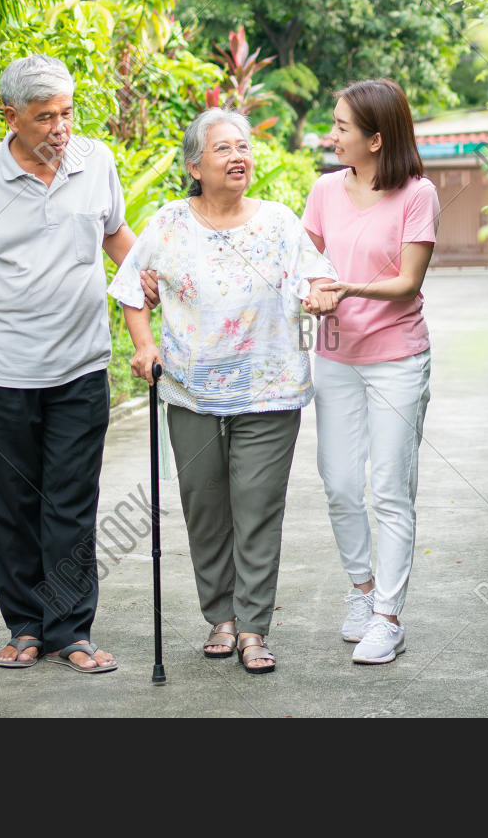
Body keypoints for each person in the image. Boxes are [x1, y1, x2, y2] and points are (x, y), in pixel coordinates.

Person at [111, 108, 336, 674]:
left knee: (257, 509)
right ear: (195, 165)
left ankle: (255, 627)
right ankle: (222, 617)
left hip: (270, 391)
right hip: (191, 391)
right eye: (223, 149)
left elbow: (320, 276)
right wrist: (144, 348)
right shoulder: (168, 224)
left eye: (243, 146)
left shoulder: (280, 223)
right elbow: (131, 291)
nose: (239, 156)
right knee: (204, 508)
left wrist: (321, 298)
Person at [0, 54, 134, 674]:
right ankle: (24, 625)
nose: (60, 127)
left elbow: (118, 239)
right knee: (11, 503)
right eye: (45, 117)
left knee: (71, 502)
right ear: (10, 116)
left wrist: (158, 291)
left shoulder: (96, 163)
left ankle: (71, 629)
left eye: (67, 113)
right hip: (4, 372)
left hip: (81, 366)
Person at [300, 78, 438, 665]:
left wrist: (344, 288)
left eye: (341, 128)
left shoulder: (417, 194)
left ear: (376, 139)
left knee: (389, 487)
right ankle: (360, 591)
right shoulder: (324, 191)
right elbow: (304, 263)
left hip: (397, 359)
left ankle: (387, 614)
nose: (331, 136)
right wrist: (313, 288)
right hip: (335, 357)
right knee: (338, 483)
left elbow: (408, 283)